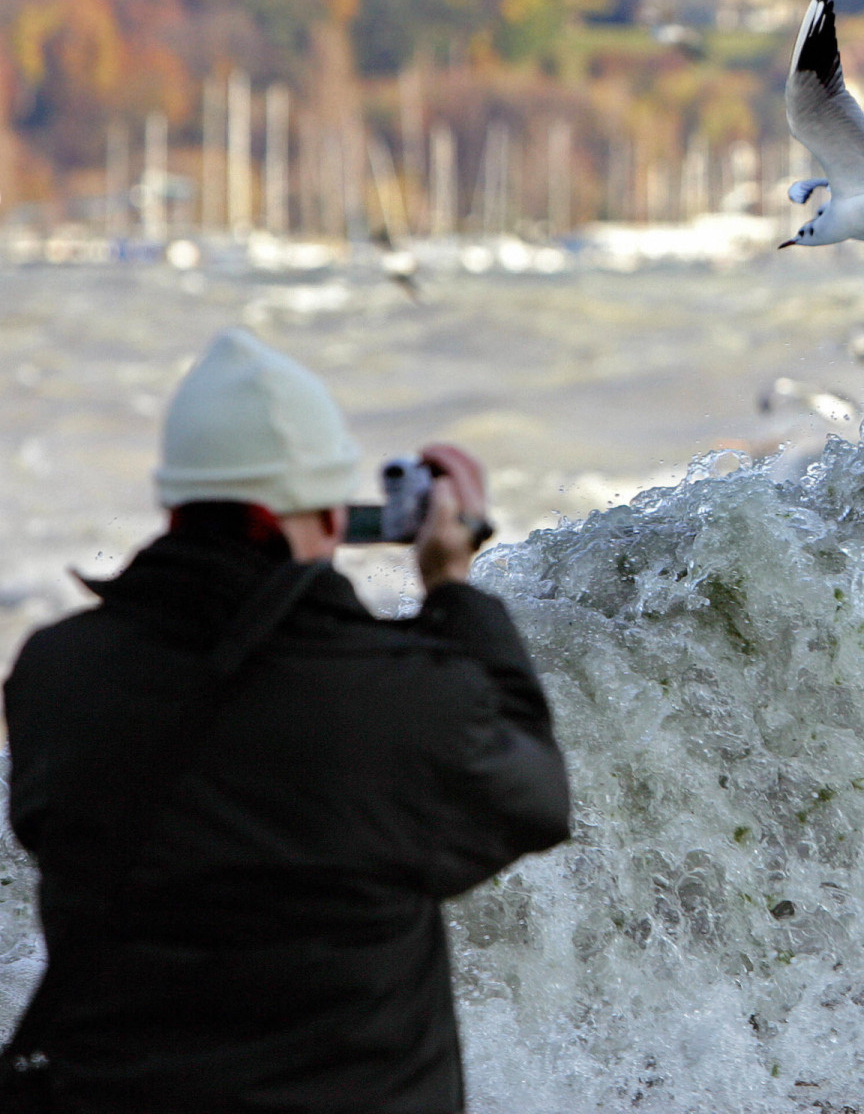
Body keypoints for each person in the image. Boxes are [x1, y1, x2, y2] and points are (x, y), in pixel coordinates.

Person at [1, 327, 570, 1113]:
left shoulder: (57, 672)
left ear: (175, 506)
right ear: (330, 515)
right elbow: (534, 794)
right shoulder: (396, 696)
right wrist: (452, 588)